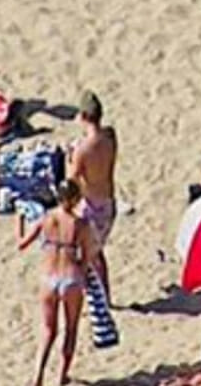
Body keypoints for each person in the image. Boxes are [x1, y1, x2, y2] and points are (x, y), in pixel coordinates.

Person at [17, 180, 99, 386]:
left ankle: (38, 375)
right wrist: (82, 267)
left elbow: (21, 244)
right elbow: (88, 255)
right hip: (71, 278)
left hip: (48, 277)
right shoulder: (81, 224)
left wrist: (19, 221)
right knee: (70, 329)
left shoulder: (47, 218)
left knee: (47, 330)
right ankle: (61, 377)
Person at [67, 91, 118, 306]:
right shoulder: (110, 139)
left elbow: (72, 179)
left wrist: (70, 156)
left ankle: (91, 298)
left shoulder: (83, 148)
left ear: (83, 116)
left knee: (83, 255)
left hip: (90, 206)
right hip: (107, 203)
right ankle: (105, 297)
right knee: (97, 254)